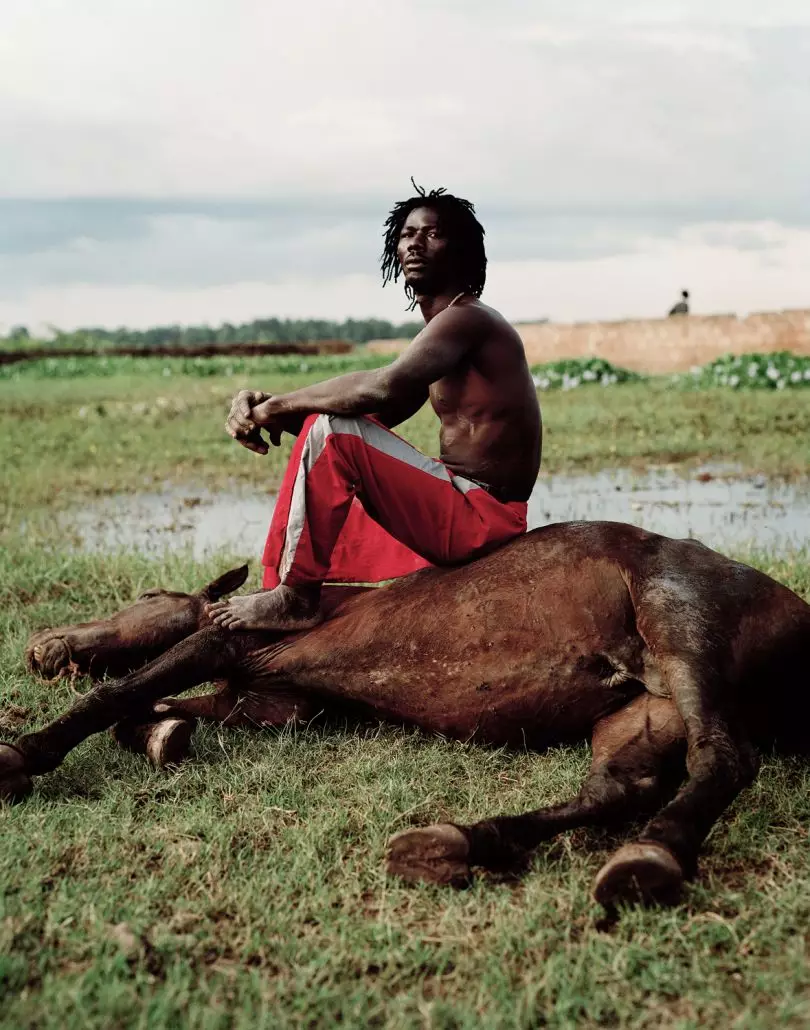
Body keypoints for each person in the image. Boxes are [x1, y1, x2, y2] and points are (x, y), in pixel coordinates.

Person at [207, 184, 542, 632]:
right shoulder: (447, 329)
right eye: (406, 235)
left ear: (462, 251)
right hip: (465, 502)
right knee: (328, 428)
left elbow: (383, 387)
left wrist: (277, 407)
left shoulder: (469, 319)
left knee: (332, 431)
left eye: (433, 234)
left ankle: (297, 596)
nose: (415, 244)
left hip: (482, 516)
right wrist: (275, 410)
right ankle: (293, 583)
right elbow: (380, 411)